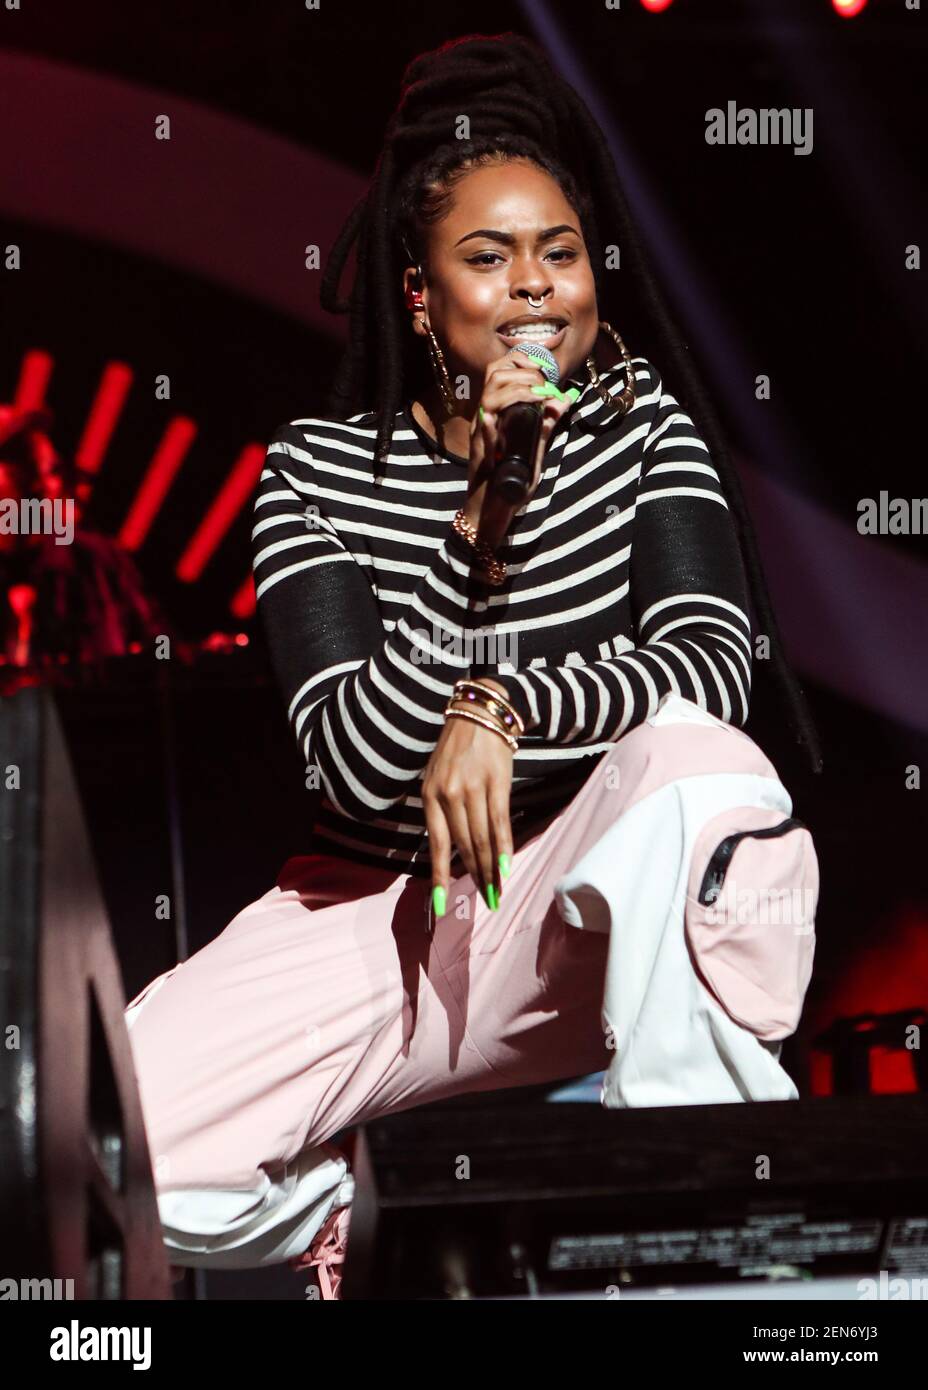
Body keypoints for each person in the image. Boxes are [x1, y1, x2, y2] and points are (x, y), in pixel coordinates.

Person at [123, 32, 823, 1299]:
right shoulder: (317, 475)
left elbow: (709, 667)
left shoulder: (646, 430)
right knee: (106, 1145)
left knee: (700, 765)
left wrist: (499, 705)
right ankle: (371, 1199)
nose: (534, 288)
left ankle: (699, 1184)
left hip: (577, 905)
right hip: (377, 913)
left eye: (557, 252)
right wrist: (482, 526)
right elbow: (354, 758)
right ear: (418, 294)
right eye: (488, 258)